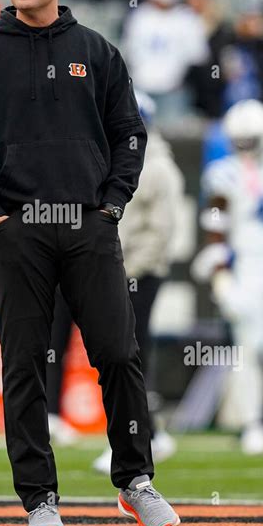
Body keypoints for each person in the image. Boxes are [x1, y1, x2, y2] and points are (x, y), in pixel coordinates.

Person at [0, 0, 180, 526]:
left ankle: (135, 481)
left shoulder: (96, 51)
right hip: (17, 228)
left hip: (86, 225)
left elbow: (130, 132)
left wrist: (111, 206)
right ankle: (40, 501)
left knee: (118, 354)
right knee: (23, 363)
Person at [93, 91, 184, 474]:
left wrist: (127, 268)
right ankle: (139, 434)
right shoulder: (120, 159)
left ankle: (144, 434)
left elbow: (162, 231)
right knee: (123, 353)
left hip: (140, 273)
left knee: (130, 353)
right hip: (122, 268)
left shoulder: (159, 167)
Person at [192, 100, 263, 453]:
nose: (246, 148)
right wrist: (221, 274)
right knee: (248, 348)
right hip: (248, 263)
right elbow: (215, 224)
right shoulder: (225, 173)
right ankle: (253, 424)